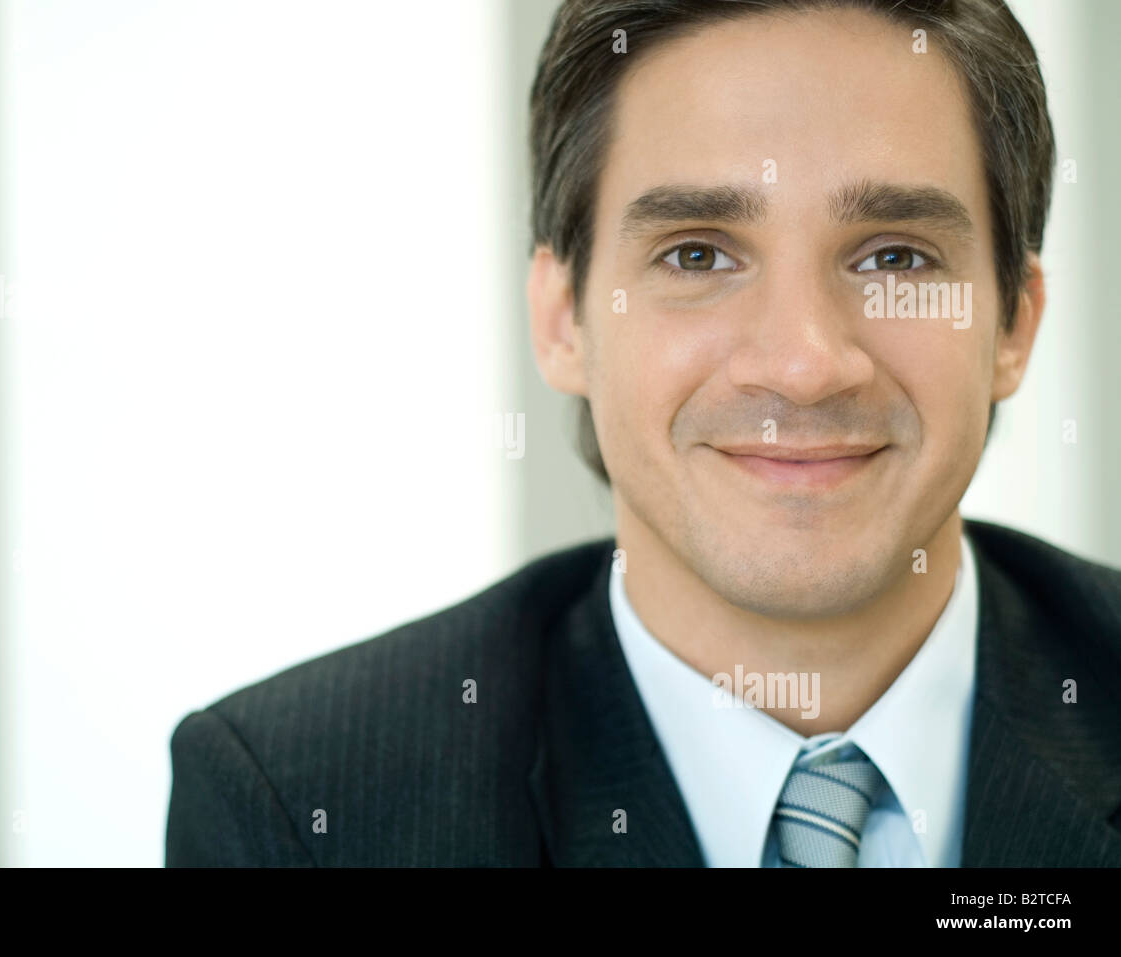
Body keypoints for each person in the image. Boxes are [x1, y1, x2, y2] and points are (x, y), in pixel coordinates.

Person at [165, 0, 1121, 867]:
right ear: (563, 320)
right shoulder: (303, 808)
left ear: (1013, 323)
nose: (803, 363)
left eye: (896, 258)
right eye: (697, 254)